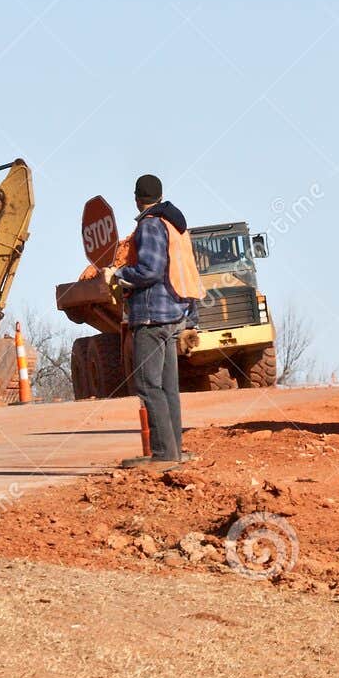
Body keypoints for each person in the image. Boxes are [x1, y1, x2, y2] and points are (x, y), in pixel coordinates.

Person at [105, 174, 203, 464]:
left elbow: (149, 270)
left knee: (149, 386)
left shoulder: (149, 225)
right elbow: (186, 272)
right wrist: (191, 318)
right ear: (160, 196)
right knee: (168, 387)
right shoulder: (176, 227)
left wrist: (119, 275)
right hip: (175, 315)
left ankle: (163, 454)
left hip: (151, 317)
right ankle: (175, 451)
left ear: (137, 198)